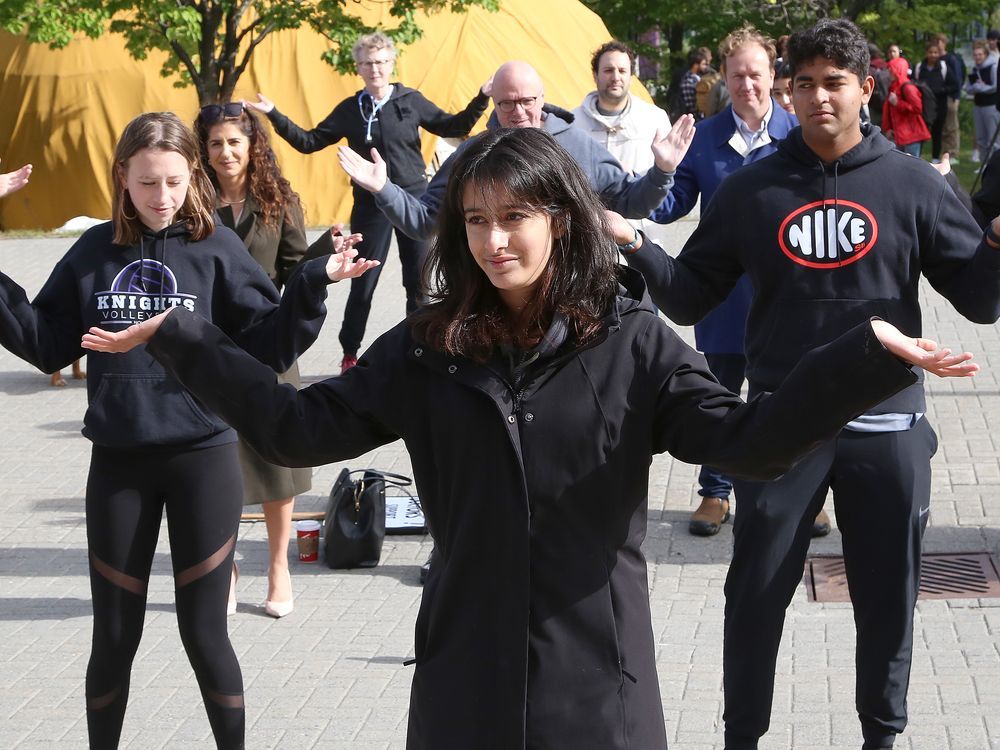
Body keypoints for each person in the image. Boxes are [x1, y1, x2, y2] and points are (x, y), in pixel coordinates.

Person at [81, 125, 972, 750]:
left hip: (600, 684)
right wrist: (183, 335)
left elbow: (748, 444)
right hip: (464, 675)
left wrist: (863, 357)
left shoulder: (633, 343)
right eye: (475, 221)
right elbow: (294, 426)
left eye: (515, 218)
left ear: (560, 219)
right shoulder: (428, 348)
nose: (495, 240)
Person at [617, 19, 1000, 749]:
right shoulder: (752, 189)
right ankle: (742, 738)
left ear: (866, 89)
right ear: (789, 91)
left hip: (888, 423)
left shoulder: (912, 182)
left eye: (835, 82)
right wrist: (633, 242)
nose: (820, 96)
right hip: (779, 426)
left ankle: (881, 737)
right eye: (806, 83)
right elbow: (692, 297)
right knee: (754, 598)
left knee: (888, 599)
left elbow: (981, 302)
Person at [0, 111, 376, 749]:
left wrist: (313, 282)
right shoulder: (95, 251)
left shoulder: (215, 248)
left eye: (174, 182)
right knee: (114, 637)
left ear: (191, 176)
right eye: (147, 183)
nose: (162, 197)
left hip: (204, 457)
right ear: (122, 177)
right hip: (120, 463)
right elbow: (44, 340)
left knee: (204, 634)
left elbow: (266, 344)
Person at [647, 25, 830, 538]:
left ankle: (805, 491)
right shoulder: (703, 139)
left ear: (774, 75)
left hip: (790, 296)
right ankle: (715, 492)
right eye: (736, 75)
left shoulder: (802, 134)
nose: (746, 84)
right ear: (722, 79)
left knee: (794, 396)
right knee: (721, 396)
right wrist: (659, 169)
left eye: (755, 74)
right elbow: (666, 209)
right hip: (724, 297)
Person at [247, 31, 492, 373]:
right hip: (370, 206)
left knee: (418, 284)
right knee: (363, 283)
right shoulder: (351, 109)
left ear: (391, 63)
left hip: (414, 201)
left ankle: (419, 352)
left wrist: (483, 97)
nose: (374, 68)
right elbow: (309, 141)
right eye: (367, 63)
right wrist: (274, 113)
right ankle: (350, 354)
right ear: (358, 68)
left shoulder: (410, 100)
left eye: (380, 62)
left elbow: (456, 125)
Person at [194, 102, 346, 617]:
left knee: (277, 465)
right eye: (215, 143)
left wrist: (329, 251)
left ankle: (279, 567)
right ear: (204, 149)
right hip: (207, 347)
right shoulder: (191, 202)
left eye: (234, 141)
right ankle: (226, 568)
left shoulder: (279, 200)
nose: (226, 151)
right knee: (219, 465)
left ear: (253, 145)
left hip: (268, 344)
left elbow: (297, 269)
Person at [336, 60, 682, 242]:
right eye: (506, 103)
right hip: (496, 301)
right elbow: (427, 223)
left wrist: (662, 172)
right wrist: (384, 189)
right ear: (494, 103)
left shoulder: (576, 145)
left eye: (526, 101)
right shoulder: (473, 155)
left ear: (542, 98)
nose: (517, 112)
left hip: (573, 297)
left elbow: (630, 202)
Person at [571, 41, 672, 245]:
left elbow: (668, 181)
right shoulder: (571, 123)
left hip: (642, 236)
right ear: (595, 75)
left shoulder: (655, 119)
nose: (615, 77)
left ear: (631, 76)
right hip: (589, 236)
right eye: (608, 70)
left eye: (622, 70)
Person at [883, 55, 930, 156]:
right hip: (899, 135)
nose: (889, 72)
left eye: (891, 69)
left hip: (912, 136)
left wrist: (898, 103)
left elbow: (917, 108)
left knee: (913, 167)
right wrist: (888, 128)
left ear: (898, 70)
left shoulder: (908, 87)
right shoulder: (893, 87)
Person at [914, 41, 953, 161]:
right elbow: (913, 83)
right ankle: (917, 157)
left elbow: (954, 85)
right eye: (930, 52)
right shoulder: (920, 67)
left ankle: (935, 158)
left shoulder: (944, 67)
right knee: (921, 133)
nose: (933, 55)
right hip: (923, 107)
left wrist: (940, 90)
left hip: (939, 106)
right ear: (926, 53)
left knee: (937, 133)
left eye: (936, 52)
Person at [930, 33, 965, 161]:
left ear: (945, 43)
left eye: (940, 41)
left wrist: (957, 97)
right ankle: (945, 153)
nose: (938, 43)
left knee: (951, 126)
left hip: (950, 97)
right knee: (942, 127)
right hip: (939, 100)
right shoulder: (934, 60)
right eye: (936, 41)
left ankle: (953, 152)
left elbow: (957, 79)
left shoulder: (951, 59)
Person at [967, 40, 1000, 164]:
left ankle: (995, 166)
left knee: (993, 139)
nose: (977, 57)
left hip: (991, 106)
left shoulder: (993, 67)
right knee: (981, 138)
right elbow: (968, 88)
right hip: (978, 106)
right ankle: (984, 165)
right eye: (975, 55)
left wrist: (980, 88)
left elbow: (995, 86)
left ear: (985, 54)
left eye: (980, 54)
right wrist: (975, 87)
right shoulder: (974, 69)